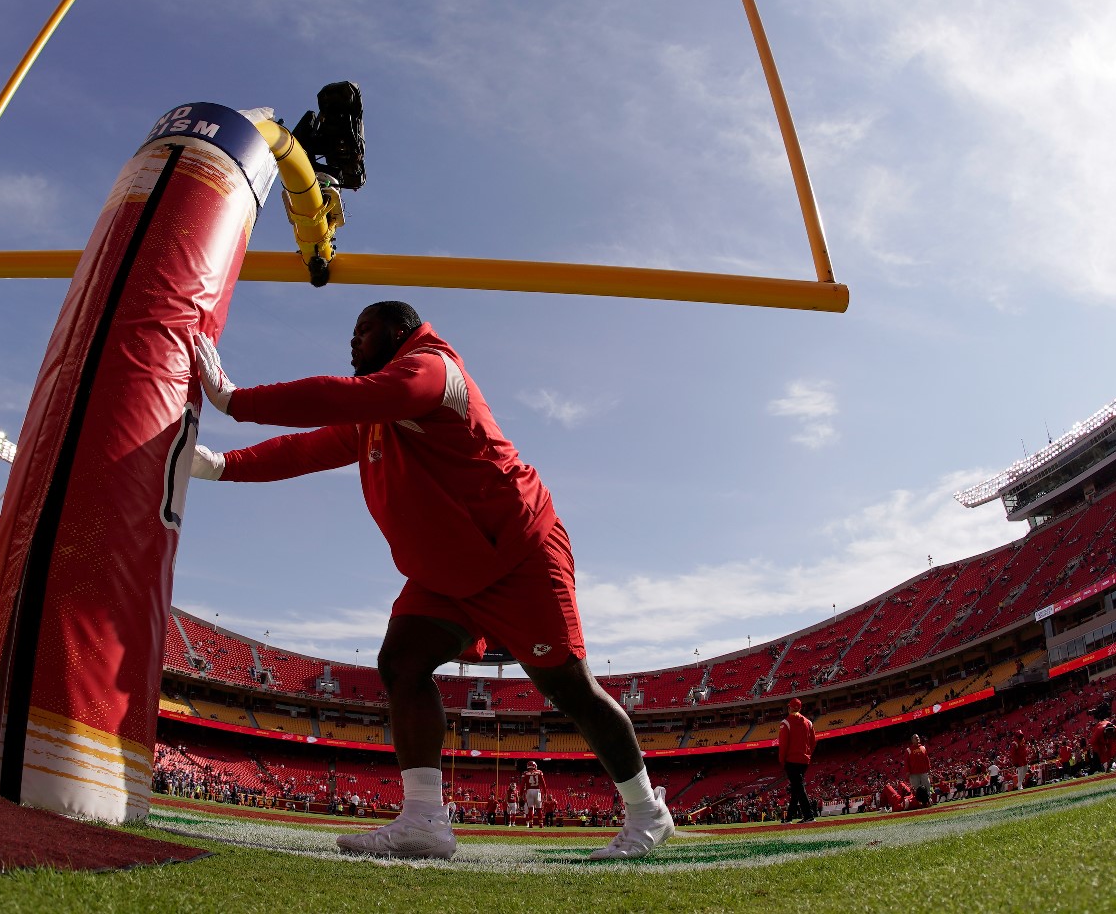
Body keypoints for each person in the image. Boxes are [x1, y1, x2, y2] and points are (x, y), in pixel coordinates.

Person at [190, 302, 672, 860]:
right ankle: (423, 818)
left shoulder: (434, 369)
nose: (352, 342)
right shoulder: (379, 413)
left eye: (363, 331)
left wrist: (235, 399)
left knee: (569, 691)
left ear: (399, 332)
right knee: (401, 664)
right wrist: (221, 465)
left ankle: (647, 812)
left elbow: (343, 395)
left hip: (517, 556)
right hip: (447, 574)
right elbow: (307, 448)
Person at [776, 697, 816, 823]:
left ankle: (809, 815)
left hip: (791, 760)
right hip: (804, 760)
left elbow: (783, 745)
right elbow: (813, 742)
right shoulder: (808, 722)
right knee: (796, 787)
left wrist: (782, 760)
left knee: (798, 787)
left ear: (789, 708)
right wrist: (807, 754)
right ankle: (789, 817)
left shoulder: (785, 723)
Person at [904, 733, 933, 808]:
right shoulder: (909, 750)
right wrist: (907, 771)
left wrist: (929, 768)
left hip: (923, 772)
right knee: (916, 788)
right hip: (913, 773)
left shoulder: (923, 748)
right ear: (912, 740)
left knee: (927, 786)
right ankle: (917, 802)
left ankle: (929, 800)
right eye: (915, 738)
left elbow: (927, 759)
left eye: (918, 737)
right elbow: (906, 761)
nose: (917, 739)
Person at [522, 760, 545, 827]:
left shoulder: (525, 773)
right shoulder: (539, 772)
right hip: (537, 790)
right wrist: (545, 792)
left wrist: (520, 794)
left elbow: (522, 785)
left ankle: (531, 823)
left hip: (529, 791)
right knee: (539, 808)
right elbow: (543, 784)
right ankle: (541, 824)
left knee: (530, 808)